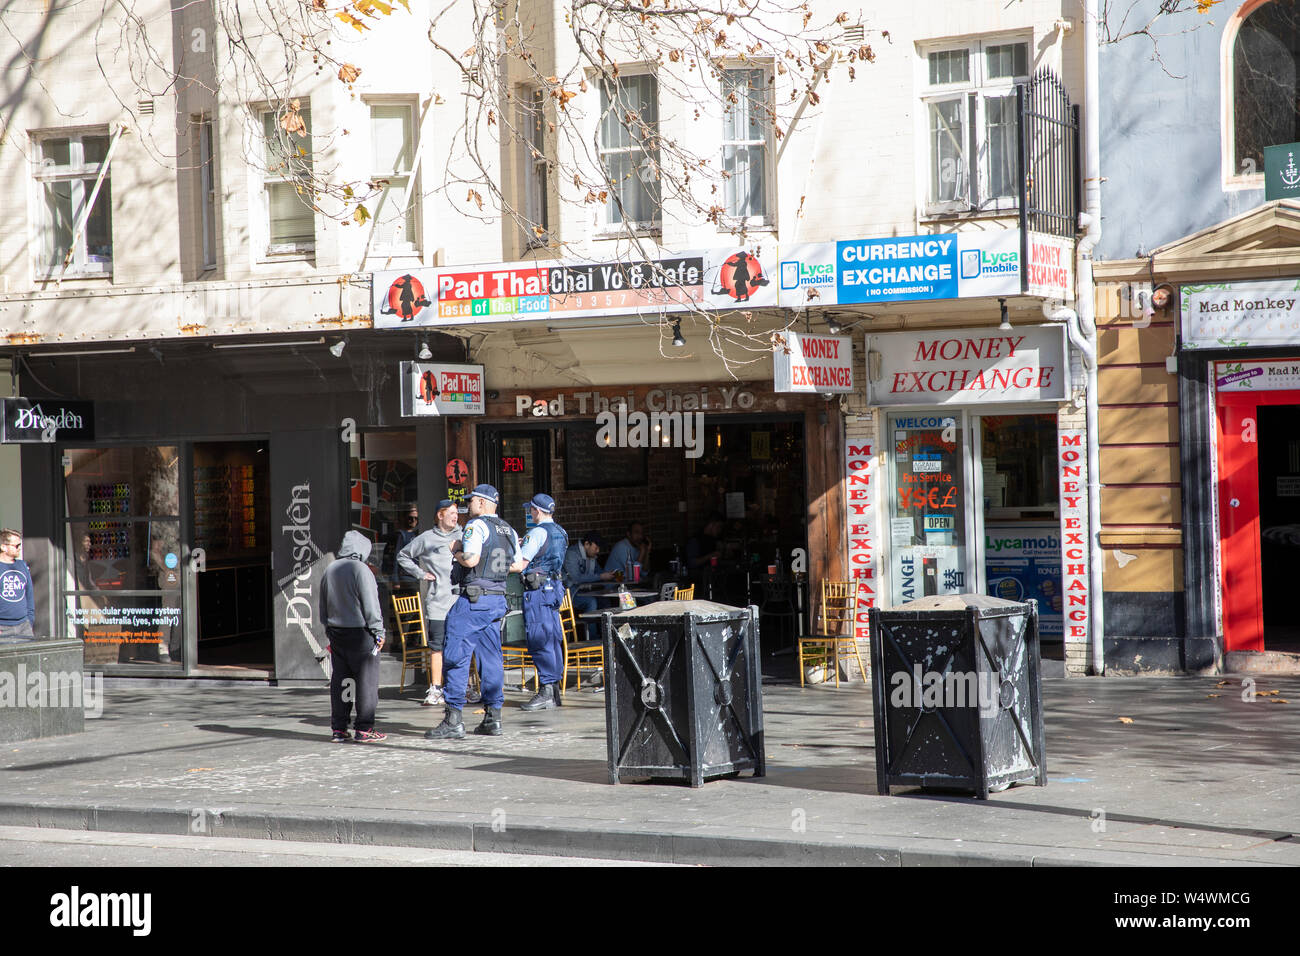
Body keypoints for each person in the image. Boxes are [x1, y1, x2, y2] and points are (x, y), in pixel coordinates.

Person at [426, 484, 520, 740]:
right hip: (497, 600)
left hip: (473, 601)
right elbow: (518, 565)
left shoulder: (475, 526)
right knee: (491, 658)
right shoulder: (508, 530)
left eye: (472, 501)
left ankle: (453, 719)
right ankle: (493, 718)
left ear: (482, 502)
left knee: (455, 654)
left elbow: (471, 560)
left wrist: (455, 550)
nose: (469, 506)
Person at [319, 531, 387, 743]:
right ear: (362, 549)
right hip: (361, 633)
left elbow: (322, 604)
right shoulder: (361, 570)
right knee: (366, 681)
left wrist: (328, 628)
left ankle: (339, 728)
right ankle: (364, 728)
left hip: (337, 632)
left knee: (342, 680)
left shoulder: (330, 569)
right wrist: (379, 631)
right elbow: (371, 604)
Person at [396, 499, 462, 707]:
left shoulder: (463, 536)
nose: (455, 515)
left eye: (456, 512)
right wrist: (421, 573)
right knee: (437, 647)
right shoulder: (427, 538)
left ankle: (462, 687)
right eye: (450, 512)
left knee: (461, 646)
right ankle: (436, 689)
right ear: (439, 515)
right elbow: (403, 556)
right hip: (438, 603)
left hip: (461, 602)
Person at [511, 493, 569, 712]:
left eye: (531, 510)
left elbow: (520, 563)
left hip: (537, 591)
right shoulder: (561, 531)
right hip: (555, 588)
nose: (529, 513)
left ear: (537, 510)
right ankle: (553, 690)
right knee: (553, 638)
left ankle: (546, 689)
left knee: (539, 638)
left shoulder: (536, 533)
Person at [563, 530, 612, 615]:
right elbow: (576, 578)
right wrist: (601, 576)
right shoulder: (571, 554)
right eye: (596, 548)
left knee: (605, 601)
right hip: (570, 593)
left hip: (586, 591)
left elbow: (599, 572)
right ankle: (589, 629)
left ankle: (604, 628)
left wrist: (611, 574)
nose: (598, 551)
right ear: (586, 544)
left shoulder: (591, 556)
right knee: (591, 602)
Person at [0, 529, 35, 641]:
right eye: (16, 545)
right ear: (3, 547)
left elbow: (29, 594)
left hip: (24, 626)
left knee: (28, 658)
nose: (20, 548)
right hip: (3, 628)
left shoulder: (22, 565)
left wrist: (30, 620)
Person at [381, 504, 422, 595]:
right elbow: (396, 557)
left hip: (415, 576)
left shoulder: (416, 535)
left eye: (416, 518)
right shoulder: (400, 535)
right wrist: (395, 580)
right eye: (410, 518)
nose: (413, 521)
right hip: (405, 578)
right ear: (404, 518)